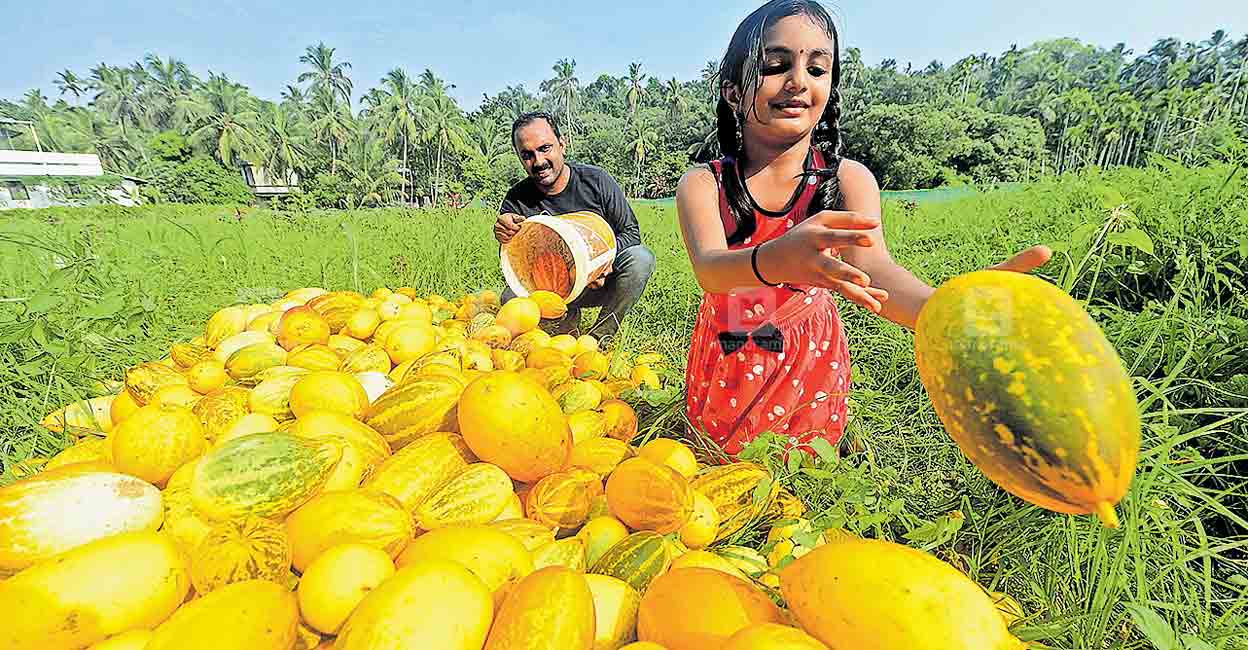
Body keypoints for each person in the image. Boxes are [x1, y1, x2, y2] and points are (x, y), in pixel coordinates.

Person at [676, 0, 1052, 456]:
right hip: (732, 347)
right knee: (721, 465)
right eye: (776, 65)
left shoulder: (849, 180)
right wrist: (775, 260)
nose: (798, 81)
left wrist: (948, 313)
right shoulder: (704, 184)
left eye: (817, 69)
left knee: (802, 474)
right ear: (733, 93)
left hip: (807, 354)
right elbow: (711, 271)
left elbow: (875, 272)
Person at [494, 111, 655, 343]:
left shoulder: (596, 181)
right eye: (527, 155)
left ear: (562, 144)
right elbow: (517, 265)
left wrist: (600, 264)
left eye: (545, 148)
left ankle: (600, 338)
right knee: (510, 297)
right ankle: (564, 320)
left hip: (598, 282)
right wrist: (503, 235)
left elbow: (630, 233)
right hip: (552, 291)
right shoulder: (517, 199)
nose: (538, 161)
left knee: (641, 258)